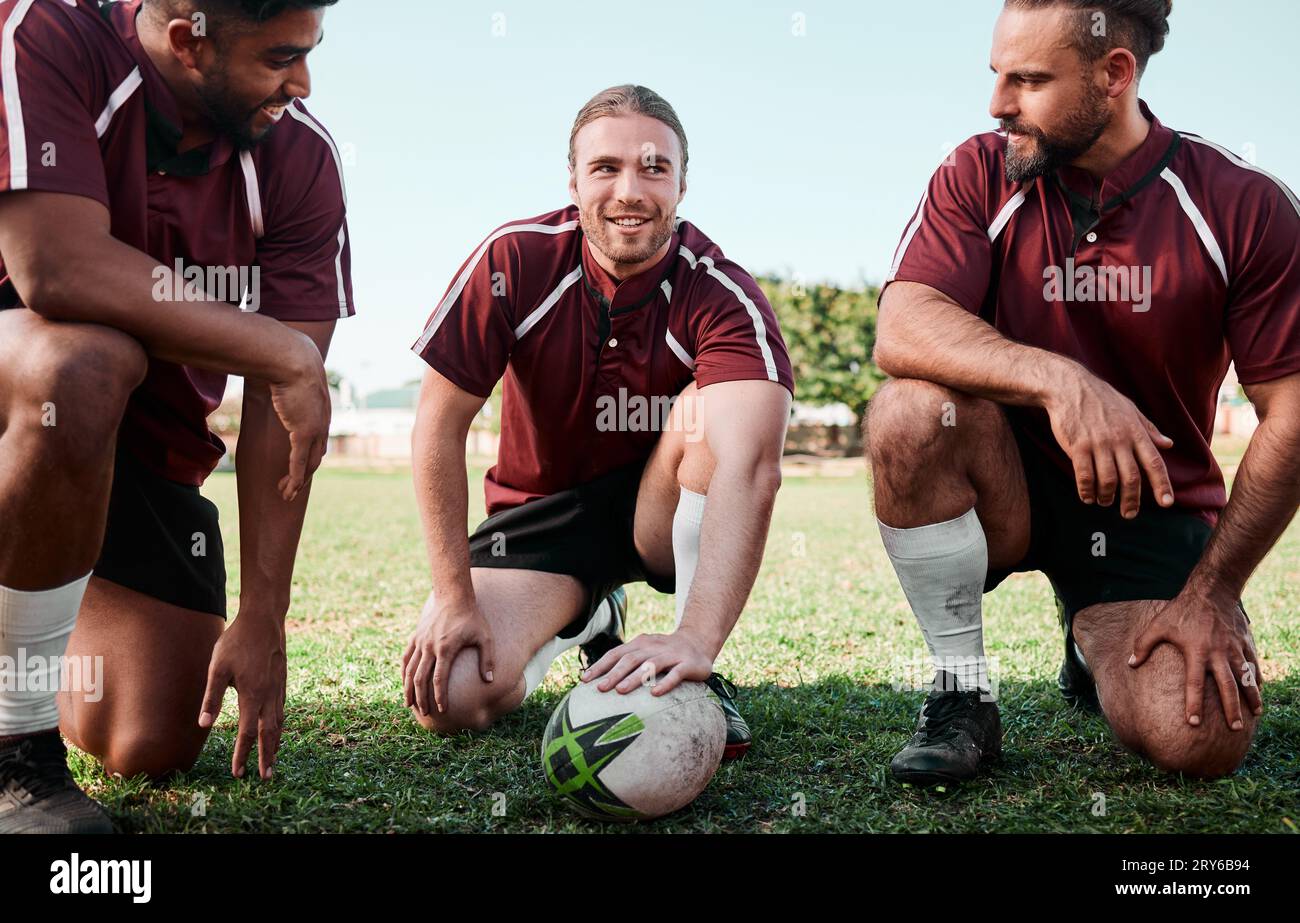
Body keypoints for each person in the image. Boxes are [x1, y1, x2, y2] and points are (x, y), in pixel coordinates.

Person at [869, 0, 1298, 785]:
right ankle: (962, 691)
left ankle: (1092, 639)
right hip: (1006, 489)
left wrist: (1214, 591)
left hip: (1146, 506)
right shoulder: (978, 168)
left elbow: (1292, 414)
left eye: (1028, 81)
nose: (998, 103)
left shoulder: (1241, 202)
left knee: (1199, 738)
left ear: (1115, 74)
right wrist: (1061, 381)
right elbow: (902, 326)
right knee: (905, 411)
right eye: (998, 75)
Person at [0, 0, 351, 832]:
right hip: (22, 398)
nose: (302, 84)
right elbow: (56, 267)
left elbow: (283, 412)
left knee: (151, 737)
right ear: (190, 44)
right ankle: (17, 754)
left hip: (138, 457)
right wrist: (278, 349)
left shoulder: (299, 158)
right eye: (279, 59)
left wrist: (265, 610)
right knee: (82, 366)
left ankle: (37, 578)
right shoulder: (46, 34)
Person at [403, 85, 795, 759]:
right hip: (540, 513)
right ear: (574, 181)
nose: (630, 191)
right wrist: (453, 594)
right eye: (606, 168)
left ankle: (687, 675)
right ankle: (588, 614)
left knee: (709, 413)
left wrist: (697, 638)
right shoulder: (514, 259)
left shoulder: (720, 291)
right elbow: (438, 425)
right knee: (452, 697)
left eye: (654, 168)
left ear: (682, 184)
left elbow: (751, 463)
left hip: (658, 510)